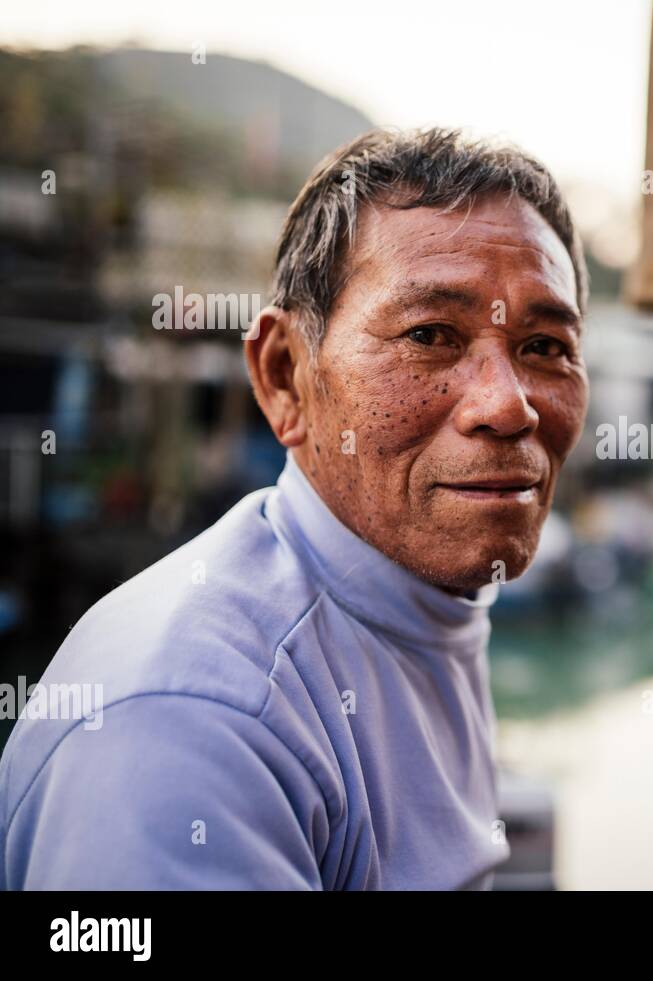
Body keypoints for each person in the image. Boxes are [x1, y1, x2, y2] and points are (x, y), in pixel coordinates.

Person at [0, 127, 590, 889]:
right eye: (431, 335)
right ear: (285, 377)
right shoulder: (196, 723)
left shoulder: (424, 605)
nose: (508, 406)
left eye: (545, 347)